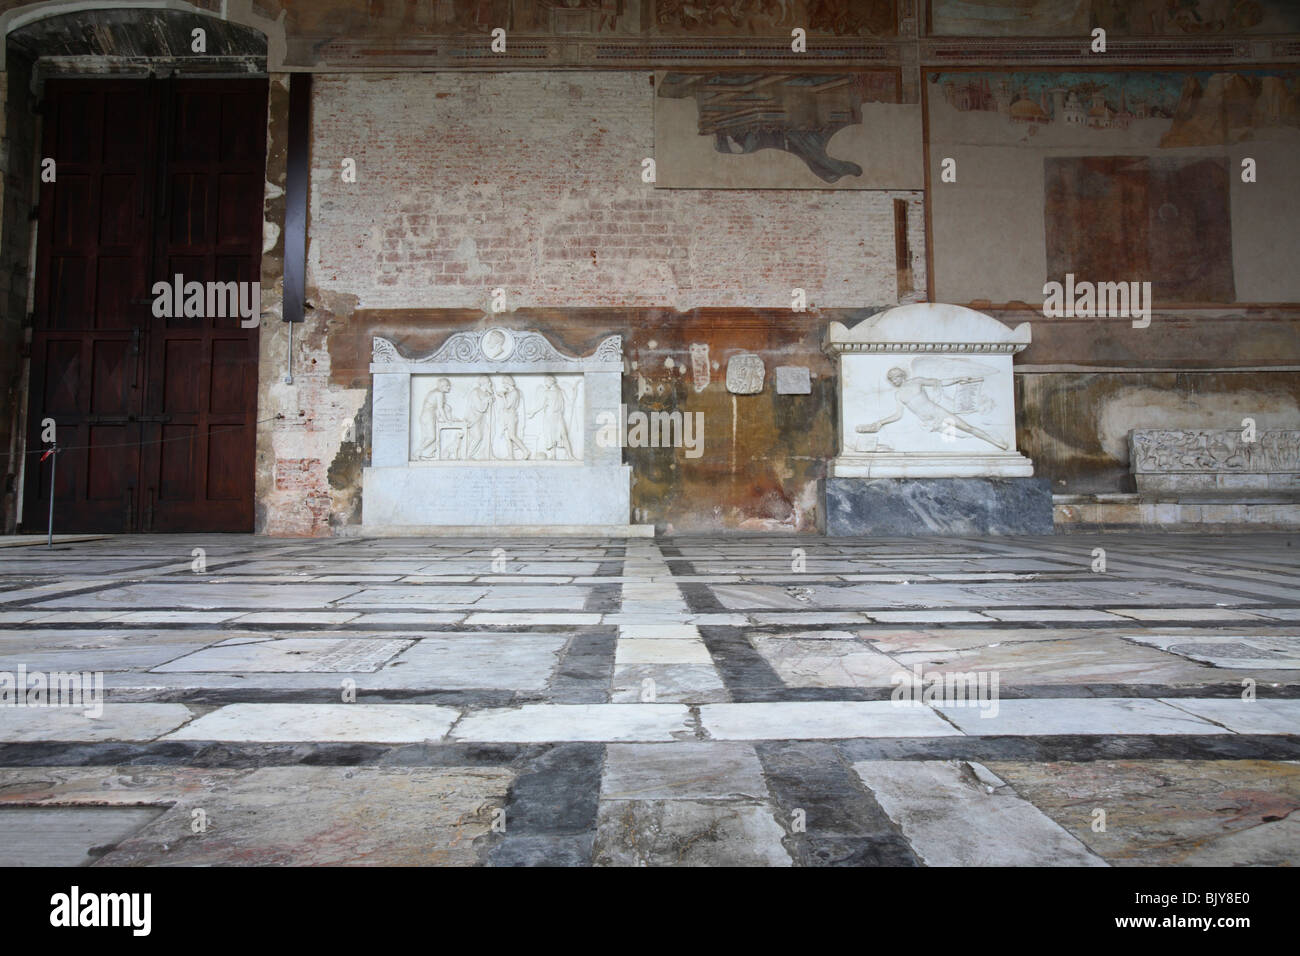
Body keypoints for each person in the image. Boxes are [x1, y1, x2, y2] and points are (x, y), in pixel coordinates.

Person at [857, 367, 1008, 450]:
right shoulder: (898, 395)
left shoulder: (916, 381)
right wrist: (881, 422)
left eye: (896, 377)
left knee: (967, 428)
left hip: (937, 412)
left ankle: (996, 442)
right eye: (891, 379)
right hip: (928, 422)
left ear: (902, 376)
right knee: (958, 437)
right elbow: (898, 415)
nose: (894, 381)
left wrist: (959, 379)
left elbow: (939, 382)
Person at [529, 375, 574, 460]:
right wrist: (533, 412)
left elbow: (568, 402)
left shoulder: (561, 391)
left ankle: (570, 456)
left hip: (558, 416)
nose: (545, 383)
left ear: (551, 381)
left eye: (546, 381)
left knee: (564, 435)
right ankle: (553, 455)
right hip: (549, 416)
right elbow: (541, 405)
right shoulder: (546, 392)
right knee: (551, 436)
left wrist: (573, 397)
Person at [416, 378, 454, 460]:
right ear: (442, 386)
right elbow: (440, 408)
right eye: (447, 386)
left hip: (424, 415)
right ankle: (417, 452)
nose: (449, 387)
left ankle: (424, 455)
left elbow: (443, 407)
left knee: (426, 437)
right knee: (431, 437)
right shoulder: (439, 393)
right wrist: (447, 421)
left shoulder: (433, 392)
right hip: (429, 415)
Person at [496, 375, 530, 460]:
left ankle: (525, 451)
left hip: (511, 415)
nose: (503, 385)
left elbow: (508, 405)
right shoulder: (509, 392)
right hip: (506, 416)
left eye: (504, 383)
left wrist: (503, 396)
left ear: (508, 383)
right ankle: (510, 455)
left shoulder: (514, 392)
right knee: (507, 437)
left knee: (512, 435)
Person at [465, 375, 495, 460]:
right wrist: (487, 399)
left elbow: (490, 400)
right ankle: (467, 455)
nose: (490, 384)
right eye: (489, 383)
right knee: (477, 437)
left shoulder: (486, 393)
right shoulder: (475, 392)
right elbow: (480, 408)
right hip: (473, 419)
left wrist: (490, 398)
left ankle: (485, 454)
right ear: (485, 383)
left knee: (482, 437)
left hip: (481, 419)